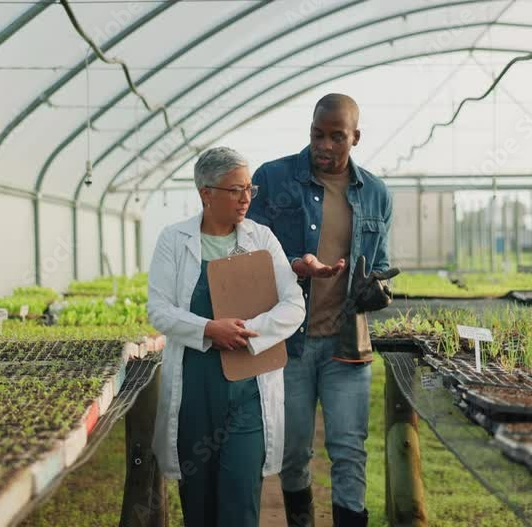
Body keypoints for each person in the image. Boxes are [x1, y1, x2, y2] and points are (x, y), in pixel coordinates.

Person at [247, 94, 393, 527]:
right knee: (293, 452)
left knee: (349, 449)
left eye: (336, 137)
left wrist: (376, 288)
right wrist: (294, 265)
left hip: (346, 344)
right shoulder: (273, 180)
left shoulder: (376, 194)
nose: (324, 146)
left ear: (356, 137)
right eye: (317, 134)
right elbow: (246, 250)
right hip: (290, 342)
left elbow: (380, 265)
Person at [148, 146, 306, 527]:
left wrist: (251, 333)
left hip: (248, 388)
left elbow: (294, 304)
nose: (246, 198)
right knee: (198, 498)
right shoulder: (174, 240)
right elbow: (159, 310)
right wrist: (207, 329)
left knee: (240, 498)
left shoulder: (262, 239)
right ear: (206, 193)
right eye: (236, 190)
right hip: (195, 387)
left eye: (249, 188)